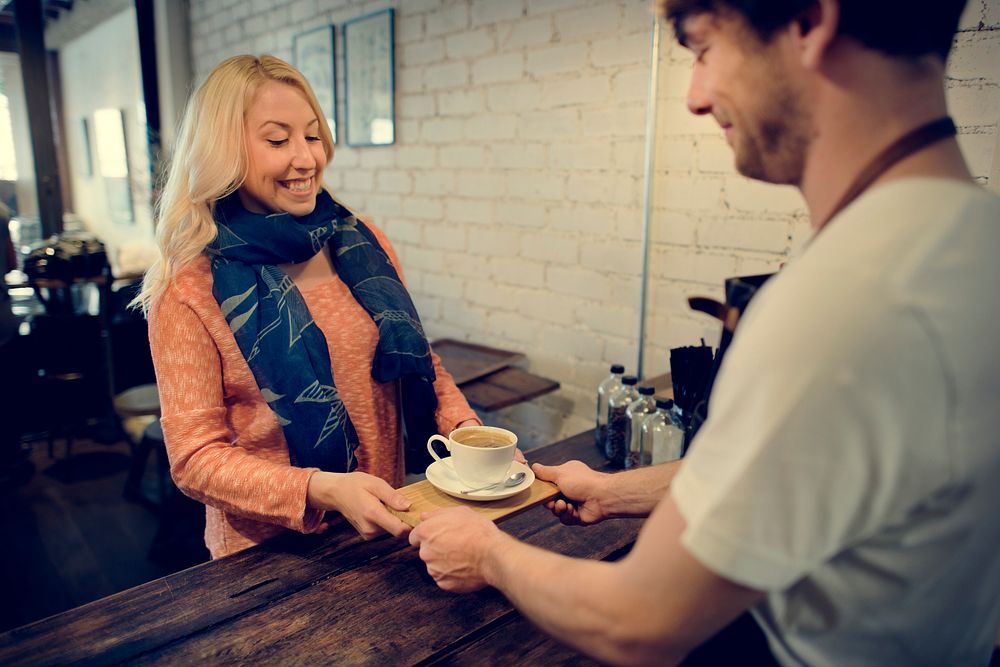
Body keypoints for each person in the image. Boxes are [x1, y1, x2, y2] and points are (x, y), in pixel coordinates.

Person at [409, 1, 1000, 665]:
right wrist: (613, 491)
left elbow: (639, 620)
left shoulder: (841, 298)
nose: (695, 96)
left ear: (811, 23)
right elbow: (810, 471)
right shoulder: (971, 237)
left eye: (703, 48)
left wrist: (488, 553)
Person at [135, 55, 483, 559]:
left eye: (313, 135)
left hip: (388, 522)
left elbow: (419, 362)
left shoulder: (361, 244)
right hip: (269, 555)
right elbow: (195, 459)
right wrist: (322, 488)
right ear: (223, 152)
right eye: (278, 141)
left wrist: (468, 433)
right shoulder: (189, 286)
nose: (306, 158)